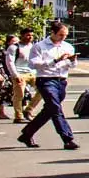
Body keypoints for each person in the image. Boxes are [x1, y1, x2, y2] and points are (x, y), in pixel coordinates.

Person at [18, 20, 79, 150]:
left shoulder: (68, 46)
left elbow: (73, 65)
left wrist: (71, 60)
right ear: (53, 32)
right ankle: (67, 138)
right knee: (55, 108)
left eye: (65, 35)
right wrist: (55, 60)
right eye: (61, 35)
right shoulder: (40, 46)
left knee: (50, 109)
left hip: (61, 80)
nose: (63, 38)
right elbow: (33, 64)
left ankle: (27, 133)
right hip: (46, 79)